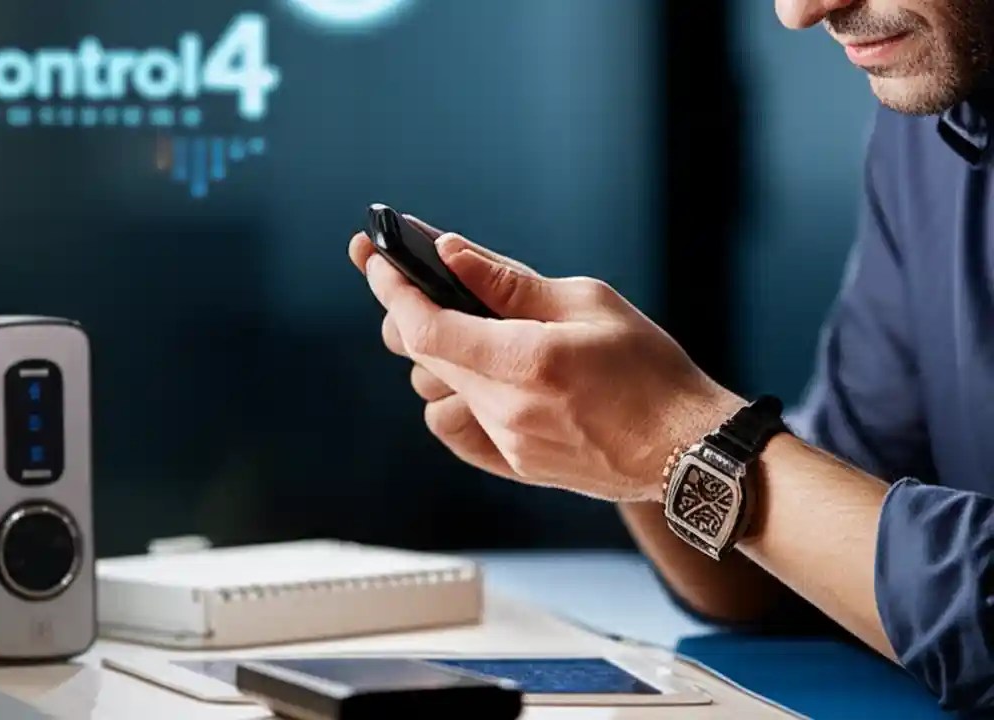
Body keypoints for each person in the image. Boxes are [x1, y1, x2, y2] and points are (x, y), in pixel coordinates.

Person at [349, 0, 994, 712]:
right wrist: (617, 444)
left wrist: (684, 435)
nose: (802, 10)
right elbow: (824, 560)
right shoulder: (929, 133)